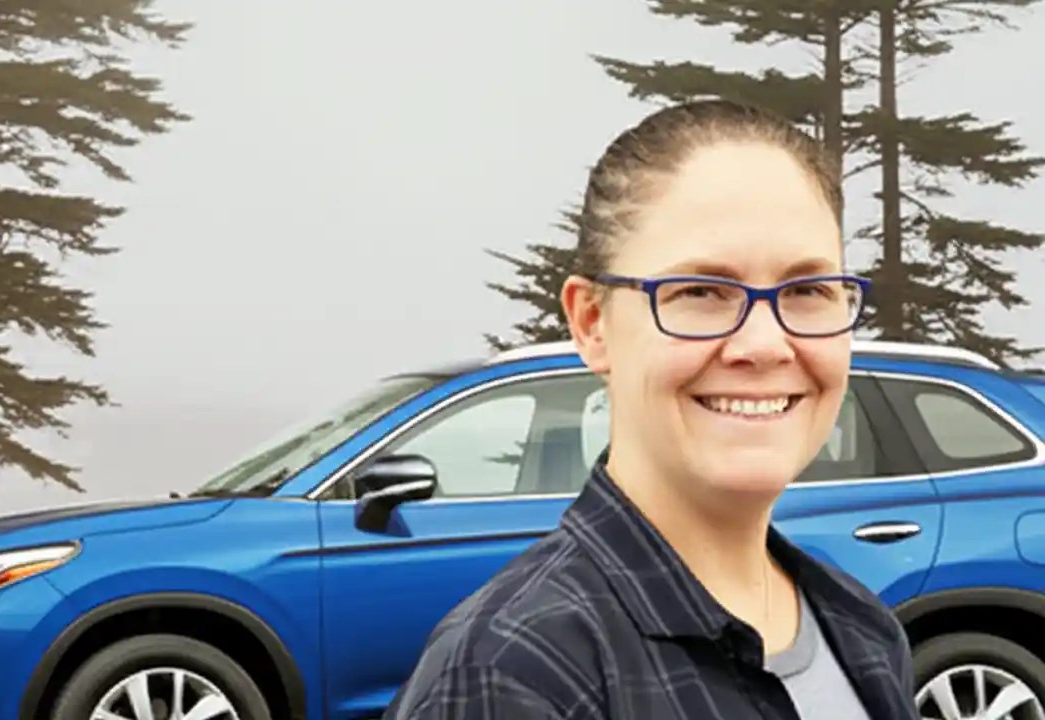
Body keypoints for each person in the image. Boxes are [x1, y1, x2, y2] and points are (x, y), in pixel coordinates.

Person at [383, 99, 921, 719]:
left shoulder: (865, 631)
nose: (766, 344)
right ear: (592, 323)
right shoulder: (512, 672)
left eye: (807, 290)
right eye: (700, 291)